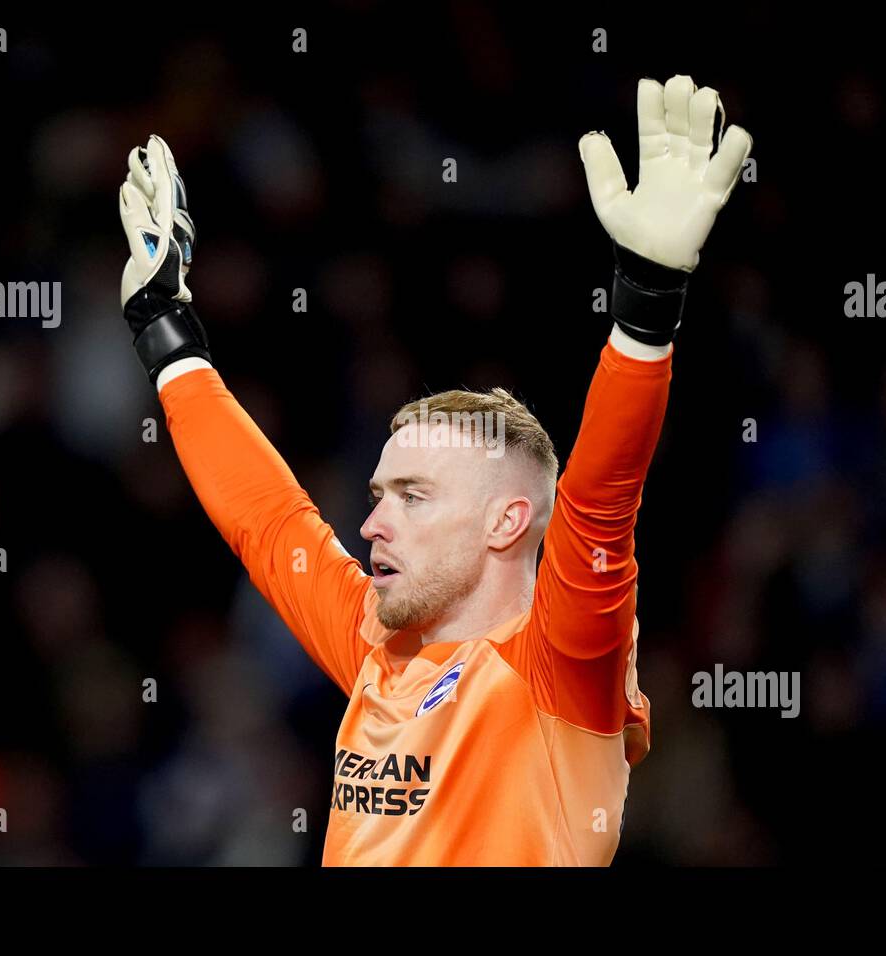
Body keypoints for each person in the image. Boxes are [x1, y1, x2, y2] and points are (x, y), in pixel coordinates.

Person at [115, 74, 752, 865]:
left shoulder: (556, 667)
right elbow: (270, 520)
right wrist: (164, 334)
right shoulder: (377, 649)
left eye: (414, 497)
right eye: (381, 494)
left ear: (507, 521)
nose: (371, 522)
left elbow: (600, 505)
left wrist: (647, 306)